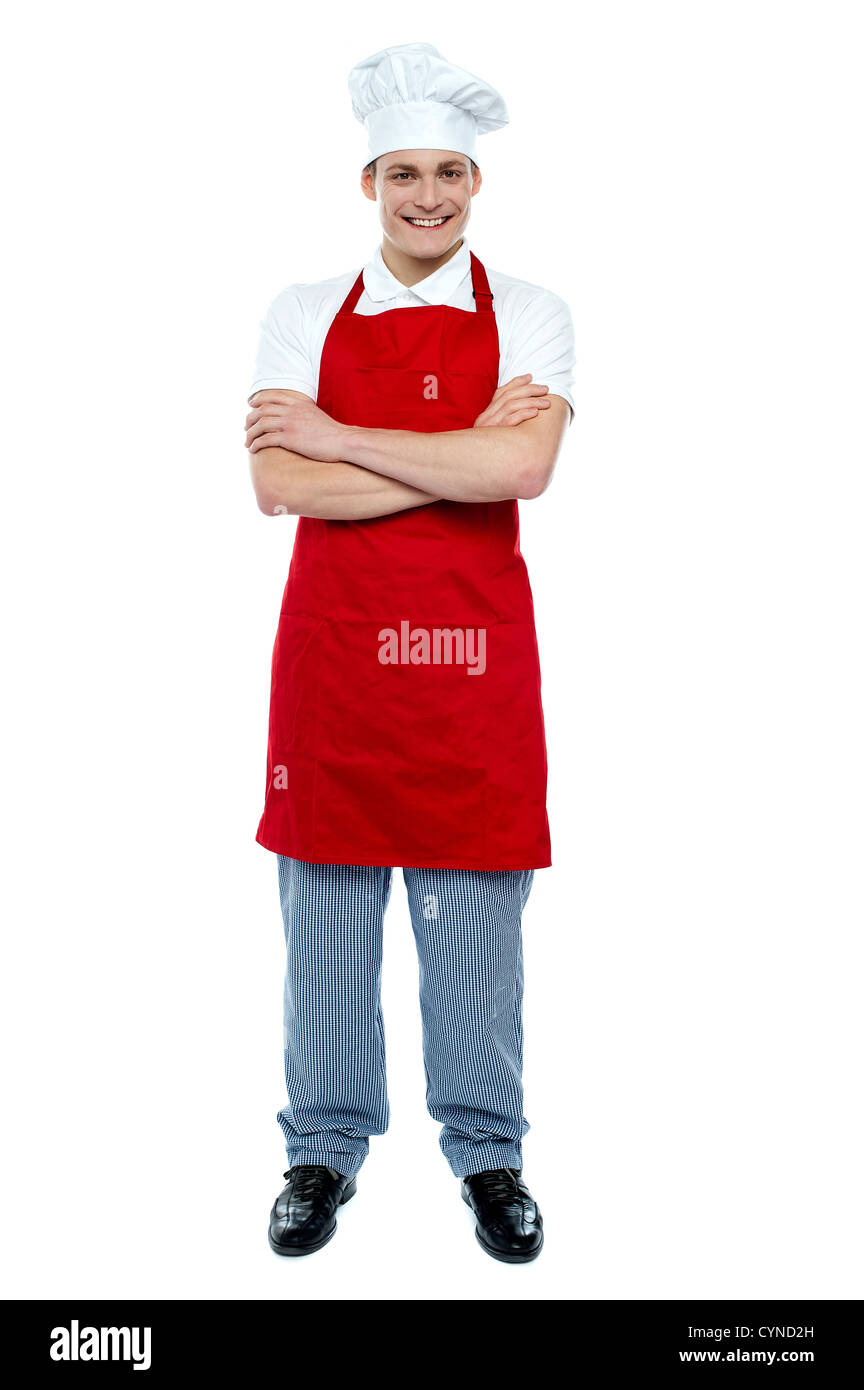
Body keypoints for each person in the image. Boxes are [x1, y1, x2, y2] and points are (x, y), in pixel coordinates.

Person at [244, 42, 575, 1263]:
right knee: (326, 918)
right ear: (368, 182)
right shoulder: (301, 314)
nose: (426, 196)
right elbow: (280, 483)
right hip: (336, 669)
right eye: (402, 174)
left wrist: (347, 438)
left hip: (473, 672)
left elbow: (520, 468)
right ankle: (320, 1148)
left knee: (475, 919)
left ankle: (490, 1154)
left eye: (448, 174)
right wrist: (436, 449)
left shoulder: (531, 313)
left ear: (475, 184)